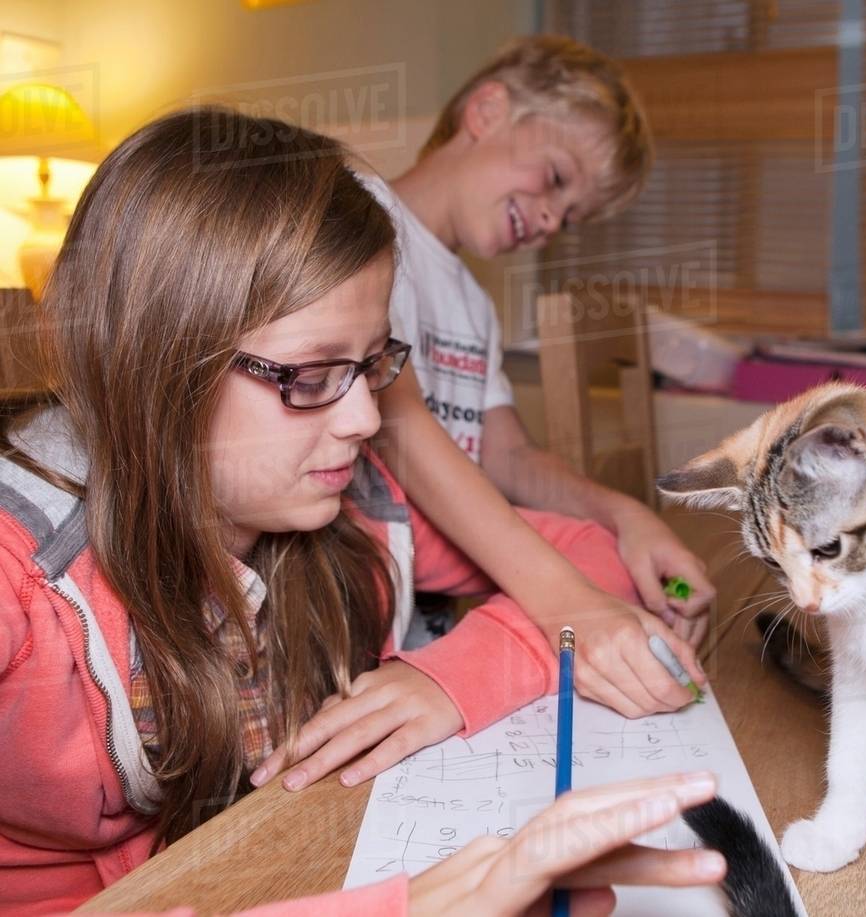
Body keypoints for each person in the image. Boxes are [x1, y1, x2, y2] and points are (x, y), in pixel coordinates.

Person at [0, 107, 719, 914]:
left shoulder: (353, 502)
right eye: (309, 376)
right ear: (159, 360)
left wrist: (451, 681)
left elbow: (585, 555)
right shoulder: (20, 574)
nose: (367, 420)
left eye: (373, 366)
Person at [358, 36, 718, 719]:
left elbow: (511, 456)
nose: (553, 219)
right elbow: (403, 429)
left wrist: (628, 516)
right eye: (556, 178)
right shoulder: (357, 225)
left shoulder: (470, 301)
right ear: (487, 110)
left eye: (571, 215)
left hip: (426, 615)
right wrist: (568, 603)